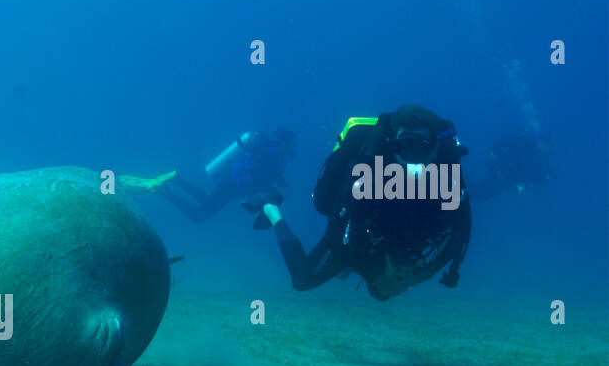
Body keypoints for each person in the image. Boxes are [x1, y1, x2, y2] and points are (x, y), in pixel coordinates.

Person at [244, 104, 472, 301]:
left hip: (393, 245)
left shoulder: (446, 170)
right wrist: (381, 269)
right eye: (405, 146)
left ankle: (361, 273)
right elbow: (346, 223)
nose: (411, 156)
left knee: (381, 294)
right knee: (302, 281)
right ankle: (271, 208)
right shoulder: (370, 164)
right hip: (353, 233)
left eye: (419, 147)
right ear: (394, 143)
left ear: (433, 147)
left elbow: (461, 230)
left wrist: (425, 272)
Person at [160, 128, 297, 223]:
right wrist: (279, 190)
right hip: (233, 185)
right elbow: (264, 179)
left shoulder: (270, 151)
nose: (293, 147)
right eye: (291, 144)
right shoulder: (273, 155)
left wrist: (283, 186)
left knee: (205, 201)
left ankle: (178, 180)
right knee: (198, 216)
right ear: (284, 142)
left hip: (232, 183)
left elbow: (271, 175)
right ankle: (166, 192)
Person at [469, 129, 554, 203]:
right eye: (546, 146)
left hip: (504, 178)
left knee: (482, 193)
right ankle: (459, 191)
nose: (547, 149)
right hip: (500, 173)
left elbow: (534, 176)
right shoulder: (528, 145)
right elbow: (529, 172)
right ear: (542, 141)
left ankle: (460, 188)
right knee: (481, 194)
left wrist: (546, 177)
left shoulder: (536, 155)